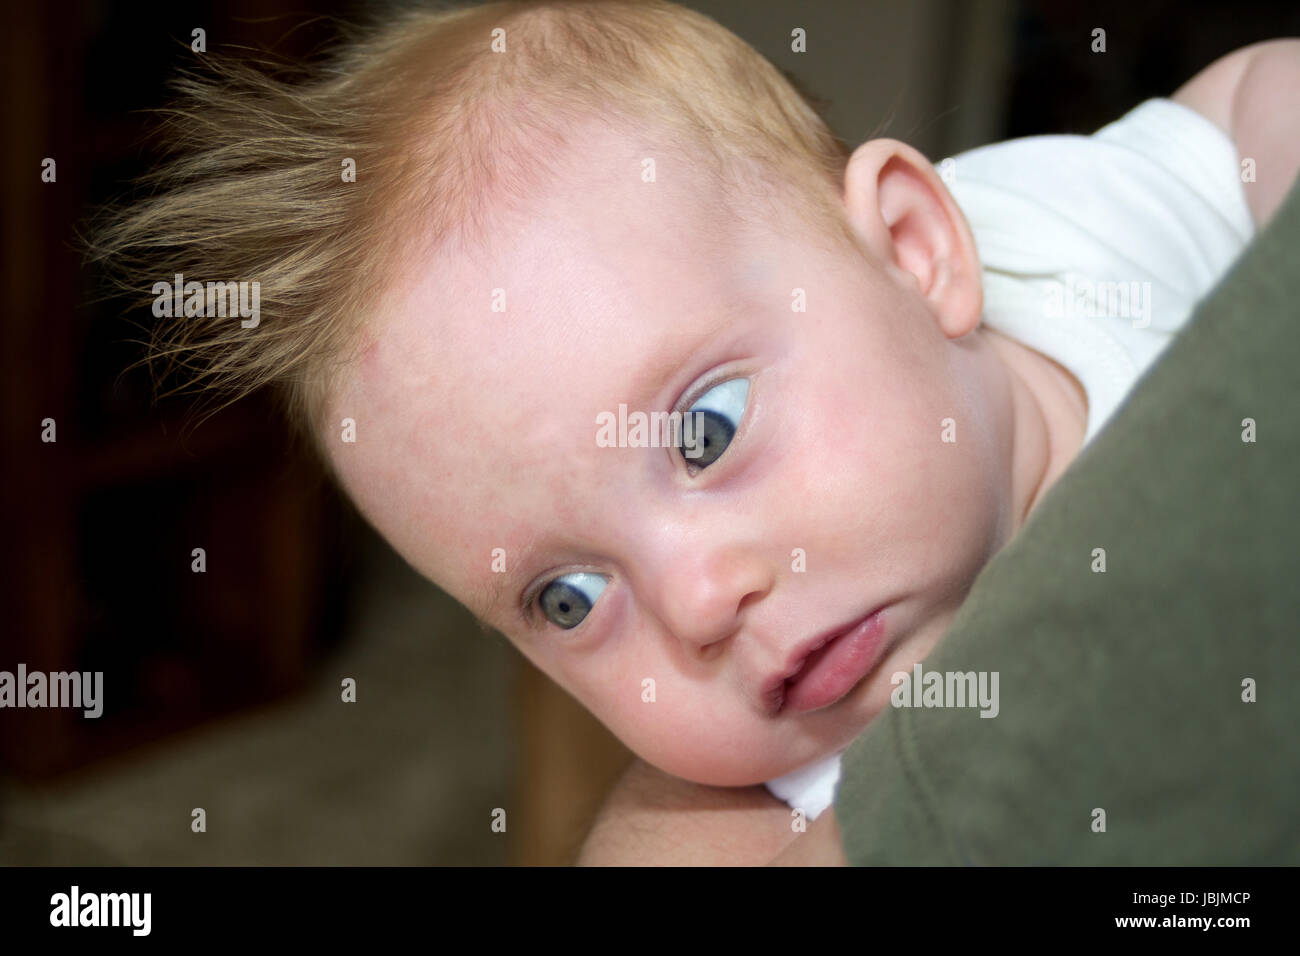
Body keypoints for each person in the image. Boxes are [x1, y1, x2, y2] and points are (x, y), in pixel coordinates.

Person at [86, 0, 1299, 863]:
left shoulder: (1074, 232)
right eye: (566, 595)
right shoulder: (772, 804)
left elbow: (1251, 101)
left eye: (706, 430)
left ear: (920, 253)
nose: (700, 598)